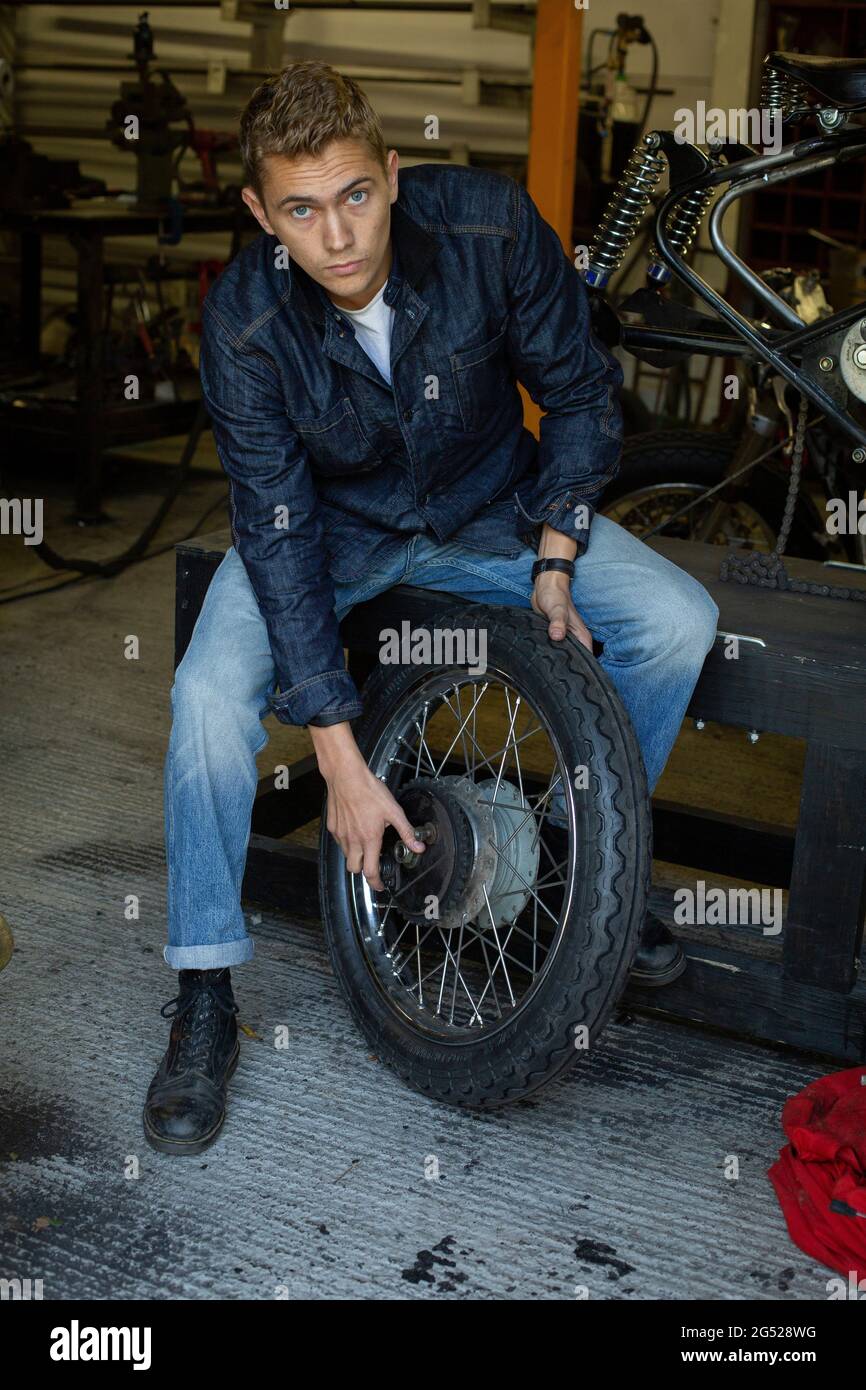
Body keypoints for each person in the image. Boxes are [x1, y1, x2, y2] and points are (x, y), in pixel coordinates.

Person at [143, 61, 719, 1155]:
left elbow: (583, 394)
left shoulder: (490, 227)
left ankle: (580, 865)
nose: (339, 236)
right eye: (302, 211)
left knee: (675, 618)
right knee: (208, 702)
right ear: (261, 213)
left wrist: (556, 548)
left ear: (393, 176)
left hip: (492, 507)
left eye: (355, 195)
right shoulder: (243, 320)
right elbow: (271, 527)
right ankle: (207, 992)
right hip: (325, 533)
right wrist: (341, 763)